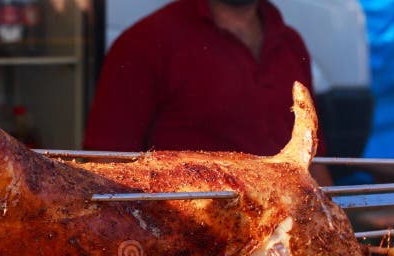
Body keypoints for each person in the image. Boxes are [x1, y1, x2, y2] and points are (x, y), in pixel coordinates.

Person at [83, 0, 332, 185]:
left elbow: (312, 160)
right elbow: (104, 167)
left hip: (284, 239)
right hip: (190, 240)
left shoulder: (290, 43)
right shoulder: (144, 43)